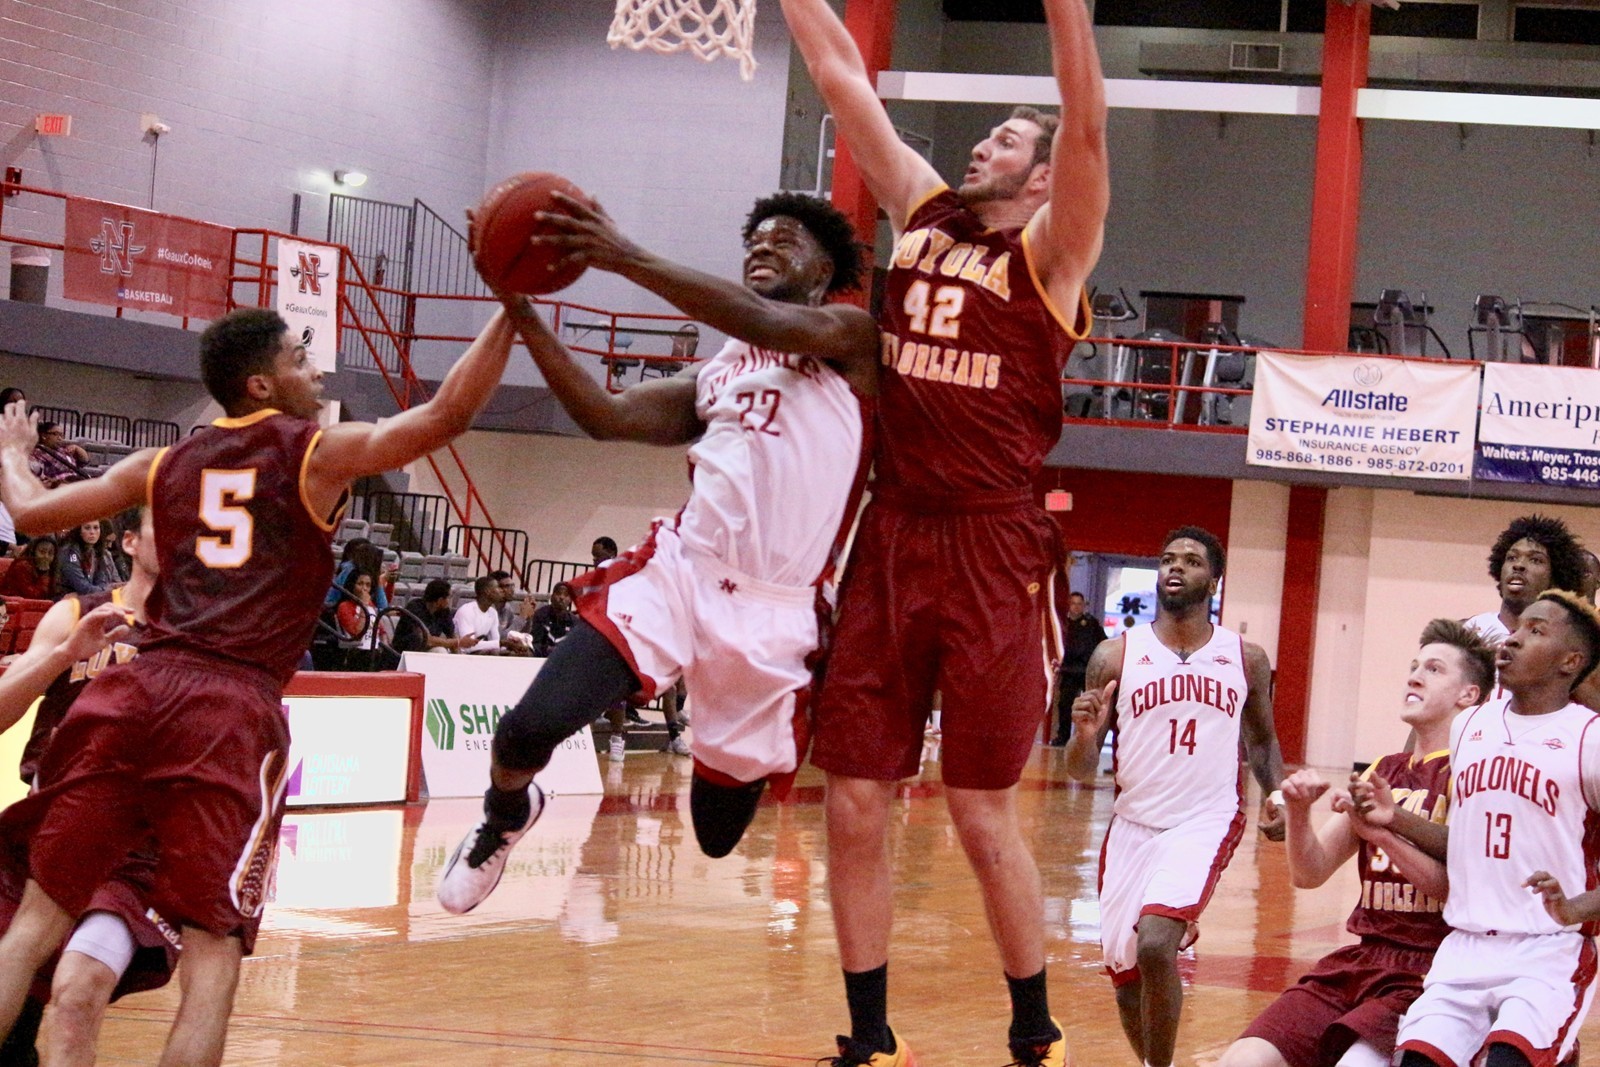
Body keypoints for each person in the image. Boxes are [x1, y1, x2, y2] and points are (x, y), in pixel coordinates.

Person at [0, 304, 515, 1066]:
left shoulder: (160, 463)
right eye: (302, 360)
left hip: (138, 685)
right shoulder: (313, 453)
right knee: (213, 954)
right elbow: (450, 413)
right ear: (261, 383)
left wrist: (11, 449)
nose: (319, 372)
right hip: (228, 705)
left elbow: (34, 510)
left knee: (32, 926)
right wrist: (512, 310)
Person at [779, 0, 1107, 1061]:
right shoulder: (921, 213)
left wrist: (1066, 14)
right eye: (986, 134)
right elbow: (840, 75)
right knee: (854, 801)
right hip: (893, 532)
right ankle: (869, 1032)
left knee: (977, 812)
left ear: (1046, 174)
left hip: (993, 547)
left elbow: (1088, 124)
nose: (982, 144)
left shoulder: (1052, 256)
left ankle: (1033, 1026)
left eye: (1009, 138)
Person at [436, 186, 877, 915]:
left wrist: (623, 256)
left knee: (715, 832)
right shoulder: (722, 370)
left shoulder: (850, 341)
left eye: (786, 239)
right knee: (527, 729)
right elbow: (606, 416)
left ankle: (718, 758)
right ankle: (506, 813)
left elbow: (765, 318)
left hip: (775, 617)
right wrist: (521, 309)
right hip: (681, 570)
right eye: (756, 238)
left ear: (827, 266)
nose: (763, 246)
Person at [1216, 618, 1496, 1067]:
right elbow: (1309, 873)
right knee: (1243, 1060)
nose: (1414, 676)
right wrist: (1302, 811)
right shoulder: (1382, 769)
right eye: (1414, 666)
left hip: (1430, 966)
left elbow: (1456, 887)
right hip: (1364, 957)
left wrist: (1385, 833)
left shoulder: (1471, 774)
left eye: (1435, 669)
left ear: (1469, 695)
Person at [1349, 590, 1600, 1067]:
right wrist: (1393, 818)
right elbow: (1467, 844)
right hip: (1463, 946)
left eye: (1536, 631)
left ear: (1570, 661)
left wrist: (1573, 908)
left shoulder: (1590, 737)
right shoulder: (1469, 727)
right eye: (1518, 627)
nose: (1514, 638)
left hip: (1546, 952)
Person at [1065, 526, 1285, 1067]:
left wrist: (1276, 797)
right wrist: (1084, 738)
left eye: (1191, 559)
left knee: (1157, 942)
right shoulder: (1114, 656)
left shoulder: (1245, 657)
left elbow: (1261, 740)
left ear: (1215, 576)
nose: (1175, 567)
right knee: (1126, 980)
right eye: (1167, 559)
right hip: (1133, 824)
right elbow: (1080, 770)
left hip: (1205, 819)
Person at [0, 507, 172, 1066]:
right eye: (164, 524)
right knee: (18, 1017)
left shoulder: (202, 636)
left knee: (78, 994)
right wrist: (61, 655)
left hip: (136, 850)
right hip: (46, 825)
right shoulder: (76, 611)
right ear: (128, 541)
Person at [1464, 514, 1585, 645]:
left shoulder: (1564, 641)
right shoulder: (1471, 631)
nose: (1518, 565)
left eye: (1535, 560)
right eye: (1512, 557)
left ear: (1556, 577)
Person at [1051, 590, 1106, 745]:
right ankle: (1063, 737)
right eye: (1073, 604)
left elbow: (1103, 642)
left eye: (1079, 604)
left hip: (1087, 670)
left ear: (1084, 606)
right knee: (1065, 704)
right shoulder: (1062, 623)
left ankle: (1090, 738)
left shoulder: (1091, 623)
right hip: (1068, 669)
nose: (1076, 607)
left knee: (1091, 705)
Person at [394, 578, 478, 655]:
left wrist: (459, 658)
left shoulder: (444, 611)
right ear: (440, 600)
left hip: (424, 651)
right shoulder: (415, 608)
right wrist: (458, 642)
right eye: (449, 597)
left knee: (442, 651)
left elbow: (452, 635)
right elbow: (426, 640)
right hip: (404, 652)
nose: (450, 600)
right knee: (440, 651)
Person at [335, 568, 383, 671]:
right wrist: (363, 606)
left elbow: (381, 631)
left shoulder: (372, 605)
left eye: (367, 585)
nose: (364, 589)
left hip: (375, 650)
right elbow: (357, 633)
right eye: (360, 584)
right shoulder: (345, 606)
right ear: (352, 585)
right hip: (357, 651)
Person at [55, 520, 119, 596]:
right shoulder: (69, 551)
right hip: (67, 600)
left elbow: (101, 580)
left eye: (96, 528)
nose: (92, 532)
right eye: (87, 528)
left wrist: (103, 590)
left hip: (90, 597)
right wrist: (104, 591)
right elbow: (81, 586)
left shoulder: (97, 551)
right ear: (79, 531)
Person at [453, 574, 504, 654]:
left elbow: (495, 643)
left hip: (478, 653)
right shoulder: (467, 611)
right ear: (487, 591)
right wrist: (502, 644)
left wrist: (512, 646)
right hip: (460, 654)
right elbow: (468, 647)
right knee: (490, 653)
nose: (501, 590)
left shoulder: (493, 612)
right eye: (497, 587)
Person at [27, 424, 90, 489]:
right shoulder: (38, 453)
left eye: (61, 435)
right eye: (56, 434)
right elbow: (40, 477)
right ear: (44, 436)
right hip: (59, 487)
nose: (60, 438)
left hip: (76, 483)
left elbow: (84, 462)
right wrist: (55, 482)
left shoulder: (64, 450)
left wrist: (78, 449)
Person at [530, 581, 577, 657]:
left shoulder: (574, 621)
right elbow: (535, 643)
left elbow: (574, 647)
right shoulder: (541, 615)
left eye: (566, 595)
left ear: (570, 600)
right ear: (551, 597)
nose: (562, 597)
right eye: (558, 593)